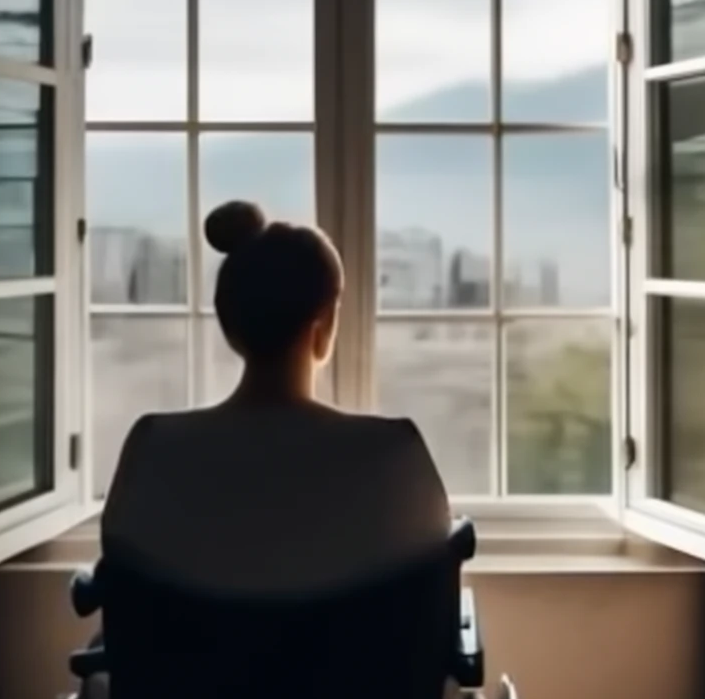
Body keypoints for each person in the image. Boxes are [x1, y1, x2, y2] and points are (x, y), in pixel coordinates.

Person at [102, 200, 451, 594]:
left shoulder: (153, 449)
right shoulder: (393, 452)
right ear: (325, 325)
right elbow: (429, 592)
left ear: (228, 323)